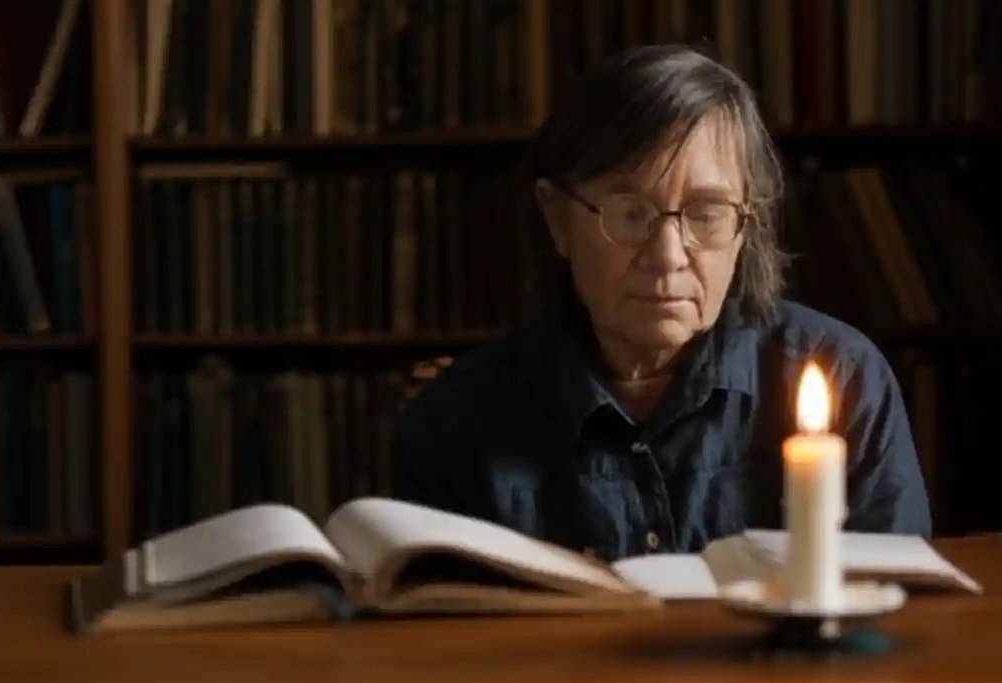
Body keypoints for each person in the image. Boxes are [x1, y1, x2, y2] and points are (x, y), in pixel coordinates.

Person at [390, 45, 931, 562]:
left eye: (706, 213)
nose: (668, 256)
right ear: (559, 222)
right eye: (630, 214)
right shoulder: (456, 423)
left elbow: (894, 612)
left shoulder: (843, 379)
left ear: (746, 226)